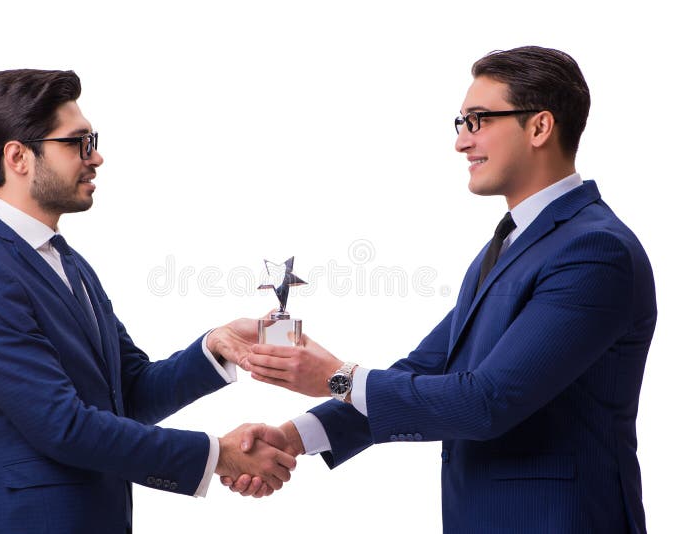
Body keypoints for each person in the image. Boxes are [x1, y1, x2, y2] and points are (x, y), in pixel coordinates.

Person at [227, 46, 657, 533]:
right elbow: (428, 369)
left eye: (478, 120)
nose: (461, 143)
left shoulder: (595, 251)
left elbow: (485, 404)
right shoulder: (511, 242)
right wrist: (295, 436)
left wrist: (337, 377)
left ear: (539, 127)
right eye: (462, 123)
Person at [0, 69, 295, 534]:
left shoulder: (69, 262)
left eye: (93, 140)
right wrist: (216, 453)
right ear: (18, 156)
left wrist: (213, 347)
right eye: (79, 142)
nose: (96, 157)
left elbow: (128, 393)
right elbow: (62, 425)